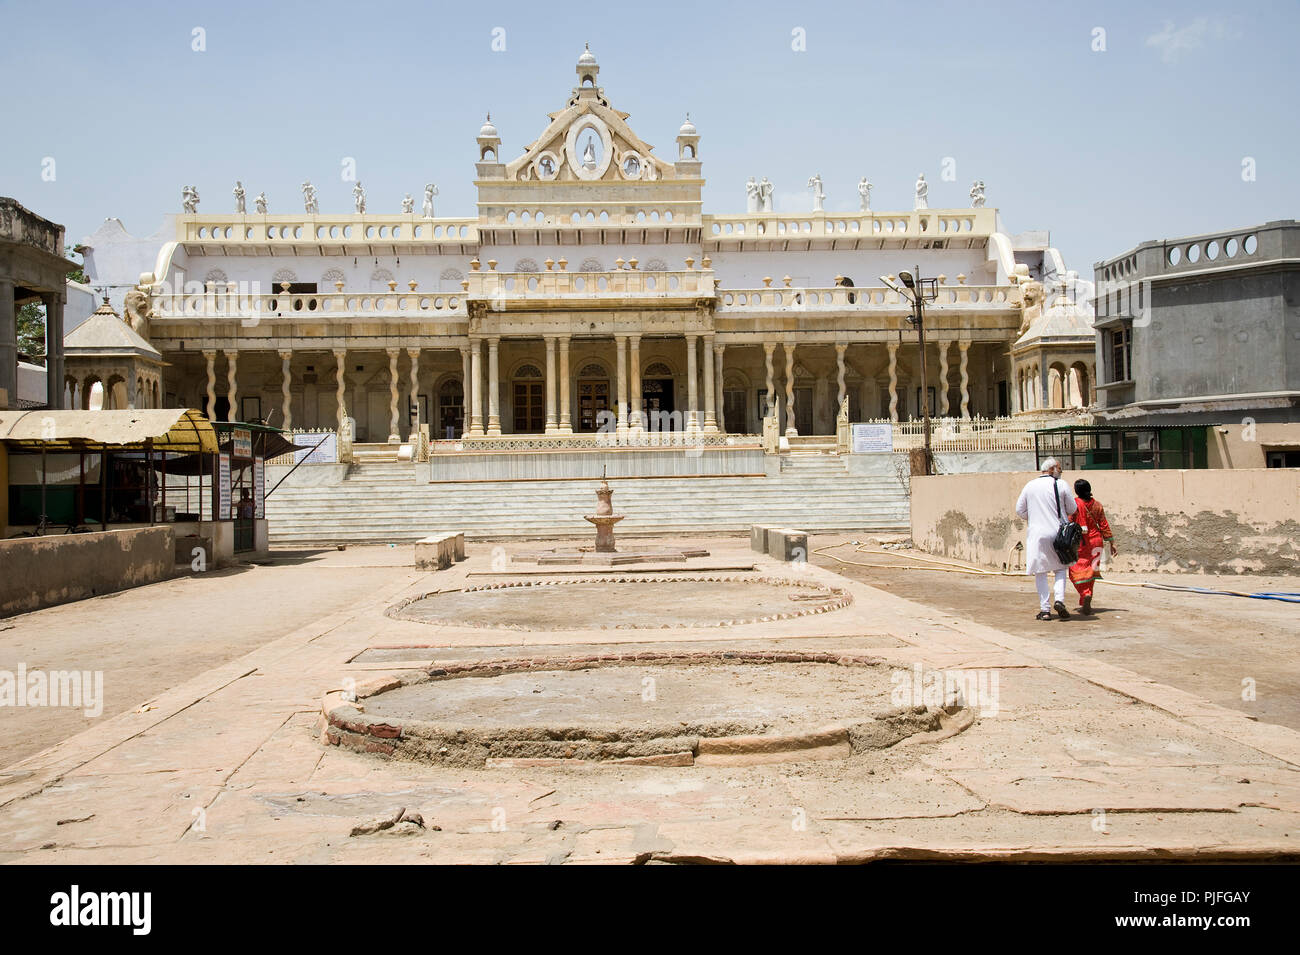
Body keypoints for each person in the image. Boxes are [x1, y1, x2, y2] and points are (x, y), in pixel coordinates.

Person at [1015, 458, 1077, 620]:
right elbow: (1072, 508)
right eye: (1059, 468)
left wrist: (1035, 517)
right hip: (1058, 532)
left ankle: (1045, 610)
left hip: (1037, 534)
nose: (1061, 471)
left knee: (1040, 571)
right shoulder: (1061, 485)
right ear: (1052, 469)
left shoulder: (1030, 485)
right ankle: (1059, 600)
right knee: (1060, 568)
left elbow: (1020, 510)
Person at [1069, 478, 1116, 615]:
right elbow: (1104, 524)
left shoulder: (1075, 505)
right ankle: (1088, 595)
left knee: (1074, 570)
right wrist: (1112, 542)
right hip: (1097, 543)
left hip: (1081, 543)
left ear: (1077, 491)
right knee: (1091, 572)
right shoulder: (1098, 505)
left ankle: (1084, 594)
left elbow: (1069, 521)